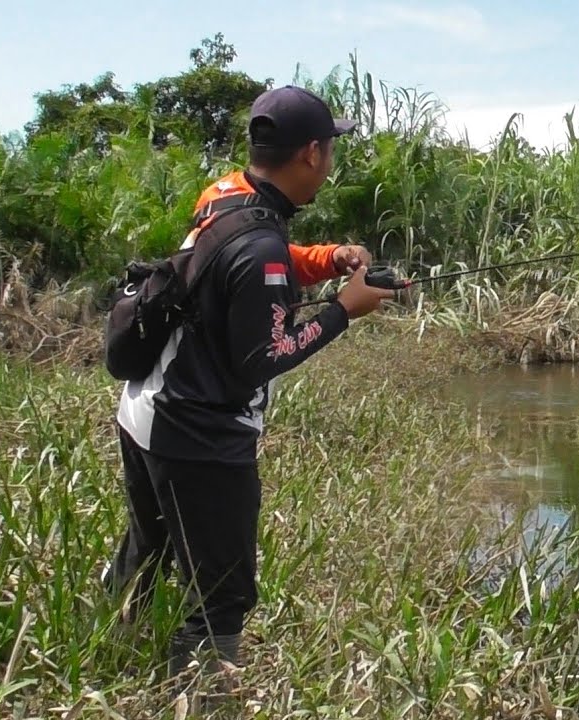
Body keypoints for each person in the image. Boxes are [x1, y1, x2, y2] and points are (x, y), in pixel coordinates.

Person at [102, 85, 395, 684]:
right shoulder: (260, 245)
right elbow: (265, 356)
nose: (330, 159)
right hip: (195, 434)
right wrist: (344, 309)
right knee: (223, 593)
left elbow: (252, 258)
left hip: (144, 410)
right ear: (311, 154)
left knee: (148, 547)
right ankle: (203, 695)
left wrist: (327, 258)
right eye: (330, 148)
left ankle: (109, 650)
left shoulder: (226, 194)